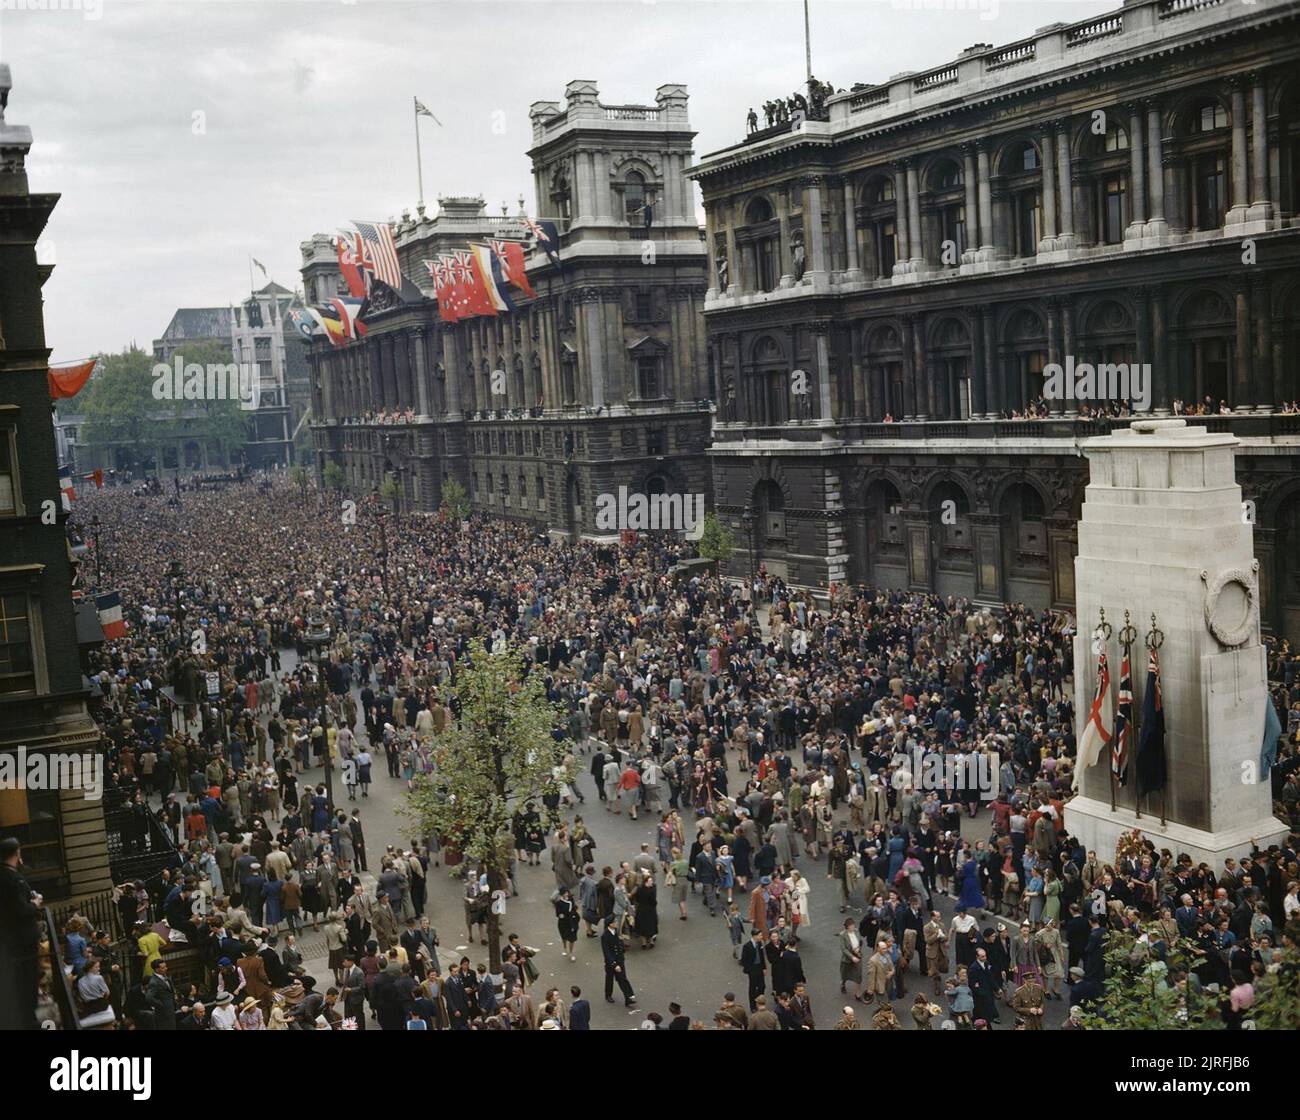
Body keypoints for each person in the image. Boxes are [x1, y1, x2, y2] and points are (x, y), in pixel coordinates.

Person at [0, 839, 43, 1030]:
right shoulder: (13, 878)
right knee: (28, 981)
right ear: (17, 853)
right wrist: (35, 903)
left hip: (11, 941)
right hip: (24, 940)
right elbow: (21, 911)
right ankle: (30, 1021)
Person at [601, 915, 636, 1007]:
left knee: (622, 978)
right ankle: (608, 995)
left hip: (619, 960)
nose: (616, 923)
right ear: (610, 924)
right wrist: (614, 964)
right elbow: (607, 952)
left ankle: (628, 997)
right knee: (609, 979)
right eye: (615, 922)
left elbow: (617, 944)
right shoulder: (605, 936)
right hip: (611, 962)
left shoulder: (615, 931)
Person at [740, 926, 767, 1011]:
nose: (761, 937)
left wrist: (764, 967)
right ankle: (753, 1006)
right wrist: (749, 970)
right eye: (760, 935)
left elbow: (762, 956)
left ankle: (760, 1001)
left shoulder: (759, 944)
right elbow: (743, 960)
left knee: (762, 986)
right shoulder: (747, 946)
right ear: (754, 936)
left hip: (759, 967)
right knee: (753, 988)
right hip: (752, 969)